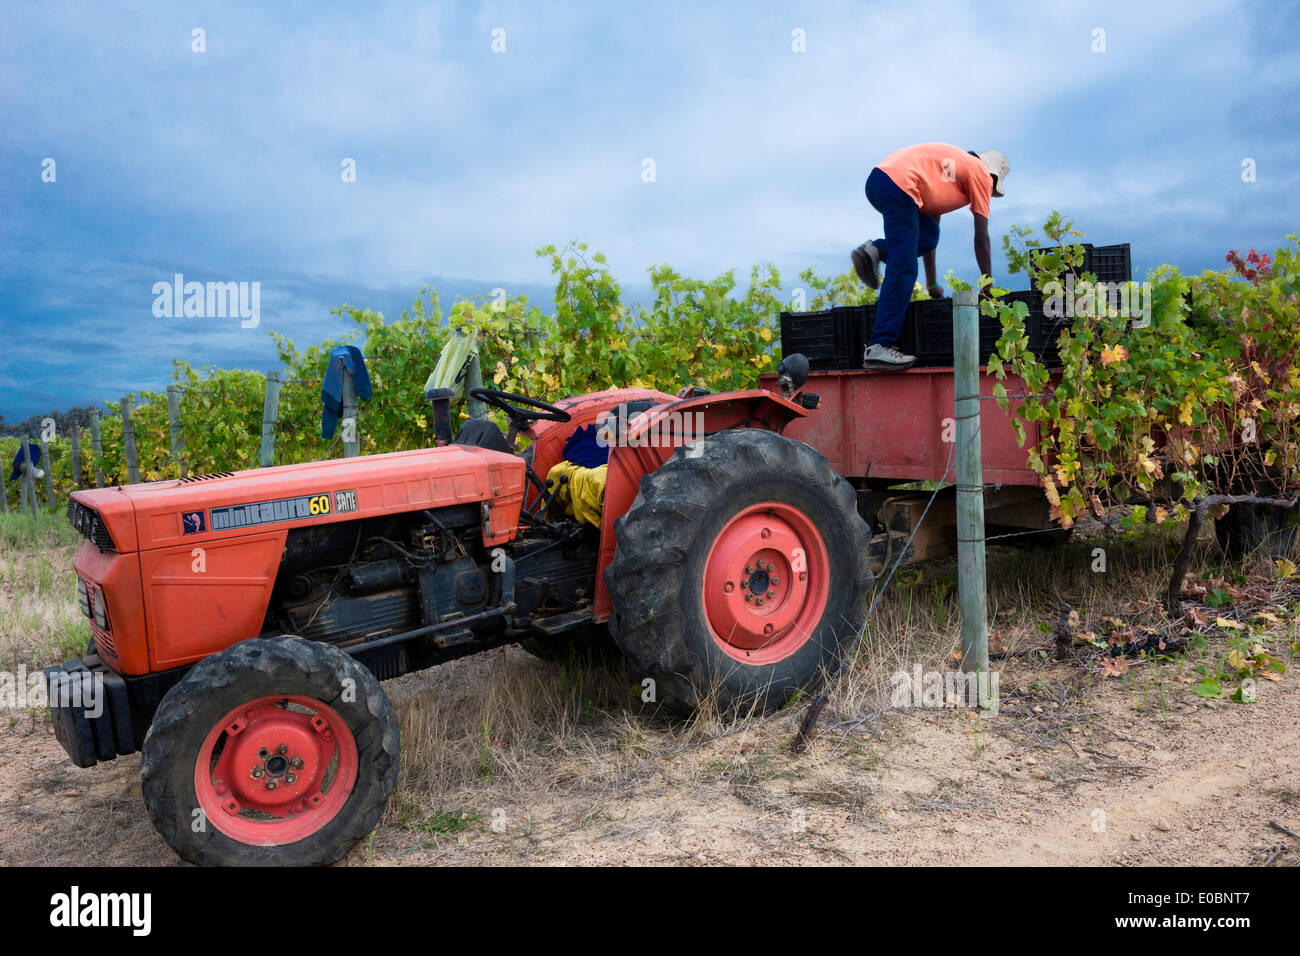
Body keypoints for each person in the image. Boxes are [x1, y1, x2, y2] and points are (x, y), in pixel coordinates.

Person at [852, 143, 1008, 370]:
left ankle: (874, 251)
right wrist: (988, 284)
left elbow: (929, 238)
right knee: (904, 266)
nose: (988, 194)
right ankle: (879, 345)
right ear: (993, 178)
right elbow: (981, 238)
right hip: (900, 184)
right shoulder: (981, 173)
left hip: (880, 180)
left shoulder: (947, 175)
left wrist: (932, 283)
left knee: (927, 236)